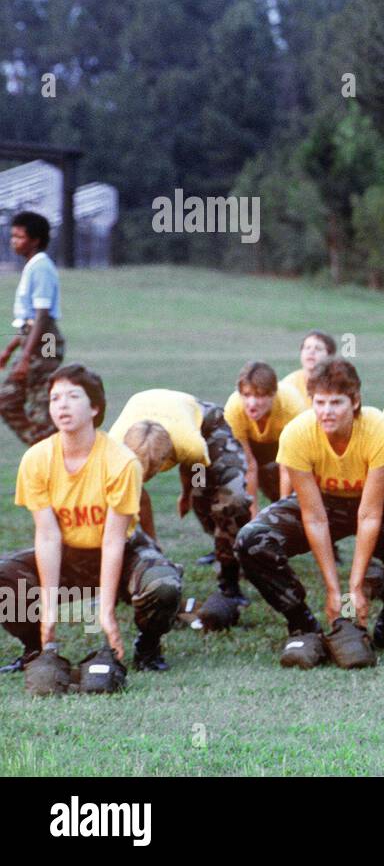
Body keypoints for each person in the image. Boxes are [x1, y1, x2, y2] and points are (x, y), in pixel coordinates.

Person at [233, 358, 384, 655]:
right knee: (251, 540)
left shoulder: (380, 429)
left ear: (354, 401)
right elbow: (314, 517)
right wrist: (333, 591)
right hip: (324, 499)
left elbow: (368, 515)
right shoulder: (297, 435)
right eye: (320, 402)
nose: (326, 412)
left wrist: (354, 589)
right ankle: (302, 623)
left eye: (336, 403)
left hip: (380, 499)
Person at [0, 364, 181, 672]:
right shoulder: (37, 459)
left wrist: (106, 612)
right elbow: (47, 536)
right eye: (55, 398)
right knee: (3, 578)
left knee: (163, 585)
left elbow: (112, 540)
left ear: (95, 406)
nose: (62, 405)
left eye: (73, 396)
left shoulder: (121, 461)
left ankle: (148, 646)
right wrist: (49, 607)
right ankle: (36, 648)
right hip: (69, 553)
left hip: (121, 553)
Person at [109, 388, 252, 603]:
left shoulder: (190, 445)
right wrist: (154, 546)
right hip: (147, 408)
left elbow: (194, 469)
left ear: (169, 457)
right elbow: (137, 497)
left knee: (229, 500)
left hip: (206, 424)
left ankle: (230, 577)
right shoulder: (114, 448)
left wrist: (188, 494)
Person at [0, 211, 65, 445]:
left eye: (19, 236)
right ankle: (44, 450)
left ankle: (51, 454)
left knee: (42, 409)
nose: (13, 241)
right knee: (7, 401)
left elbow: (42, 317)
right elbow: (29, 320)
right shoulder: (32, 267)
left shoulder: (41, 268)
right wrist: (10, 350)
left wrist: (26, 357)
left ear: (35, 240)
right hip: (35, 339)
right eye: (12, 236)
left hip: (45, 342)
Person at [223, 361, 308, 512]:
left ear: (273, 394)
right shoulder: (233, 408)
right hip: (254, 443)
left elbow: (287, 466)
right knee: (231, 472)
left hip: (282, 443)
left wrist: (283, 511)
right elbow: (249, 464)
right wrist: (253, 514)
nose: (252, 403)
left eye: (259, 396)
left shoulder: (291, 406)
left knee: (291, 480)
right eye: (246, 395)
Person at [282, 330, 335, 403]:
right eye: (307, 348)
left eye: (318, 348)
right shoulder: (288, 385)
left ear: (330, 356)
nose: (311, 352)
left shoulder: (338, 383)